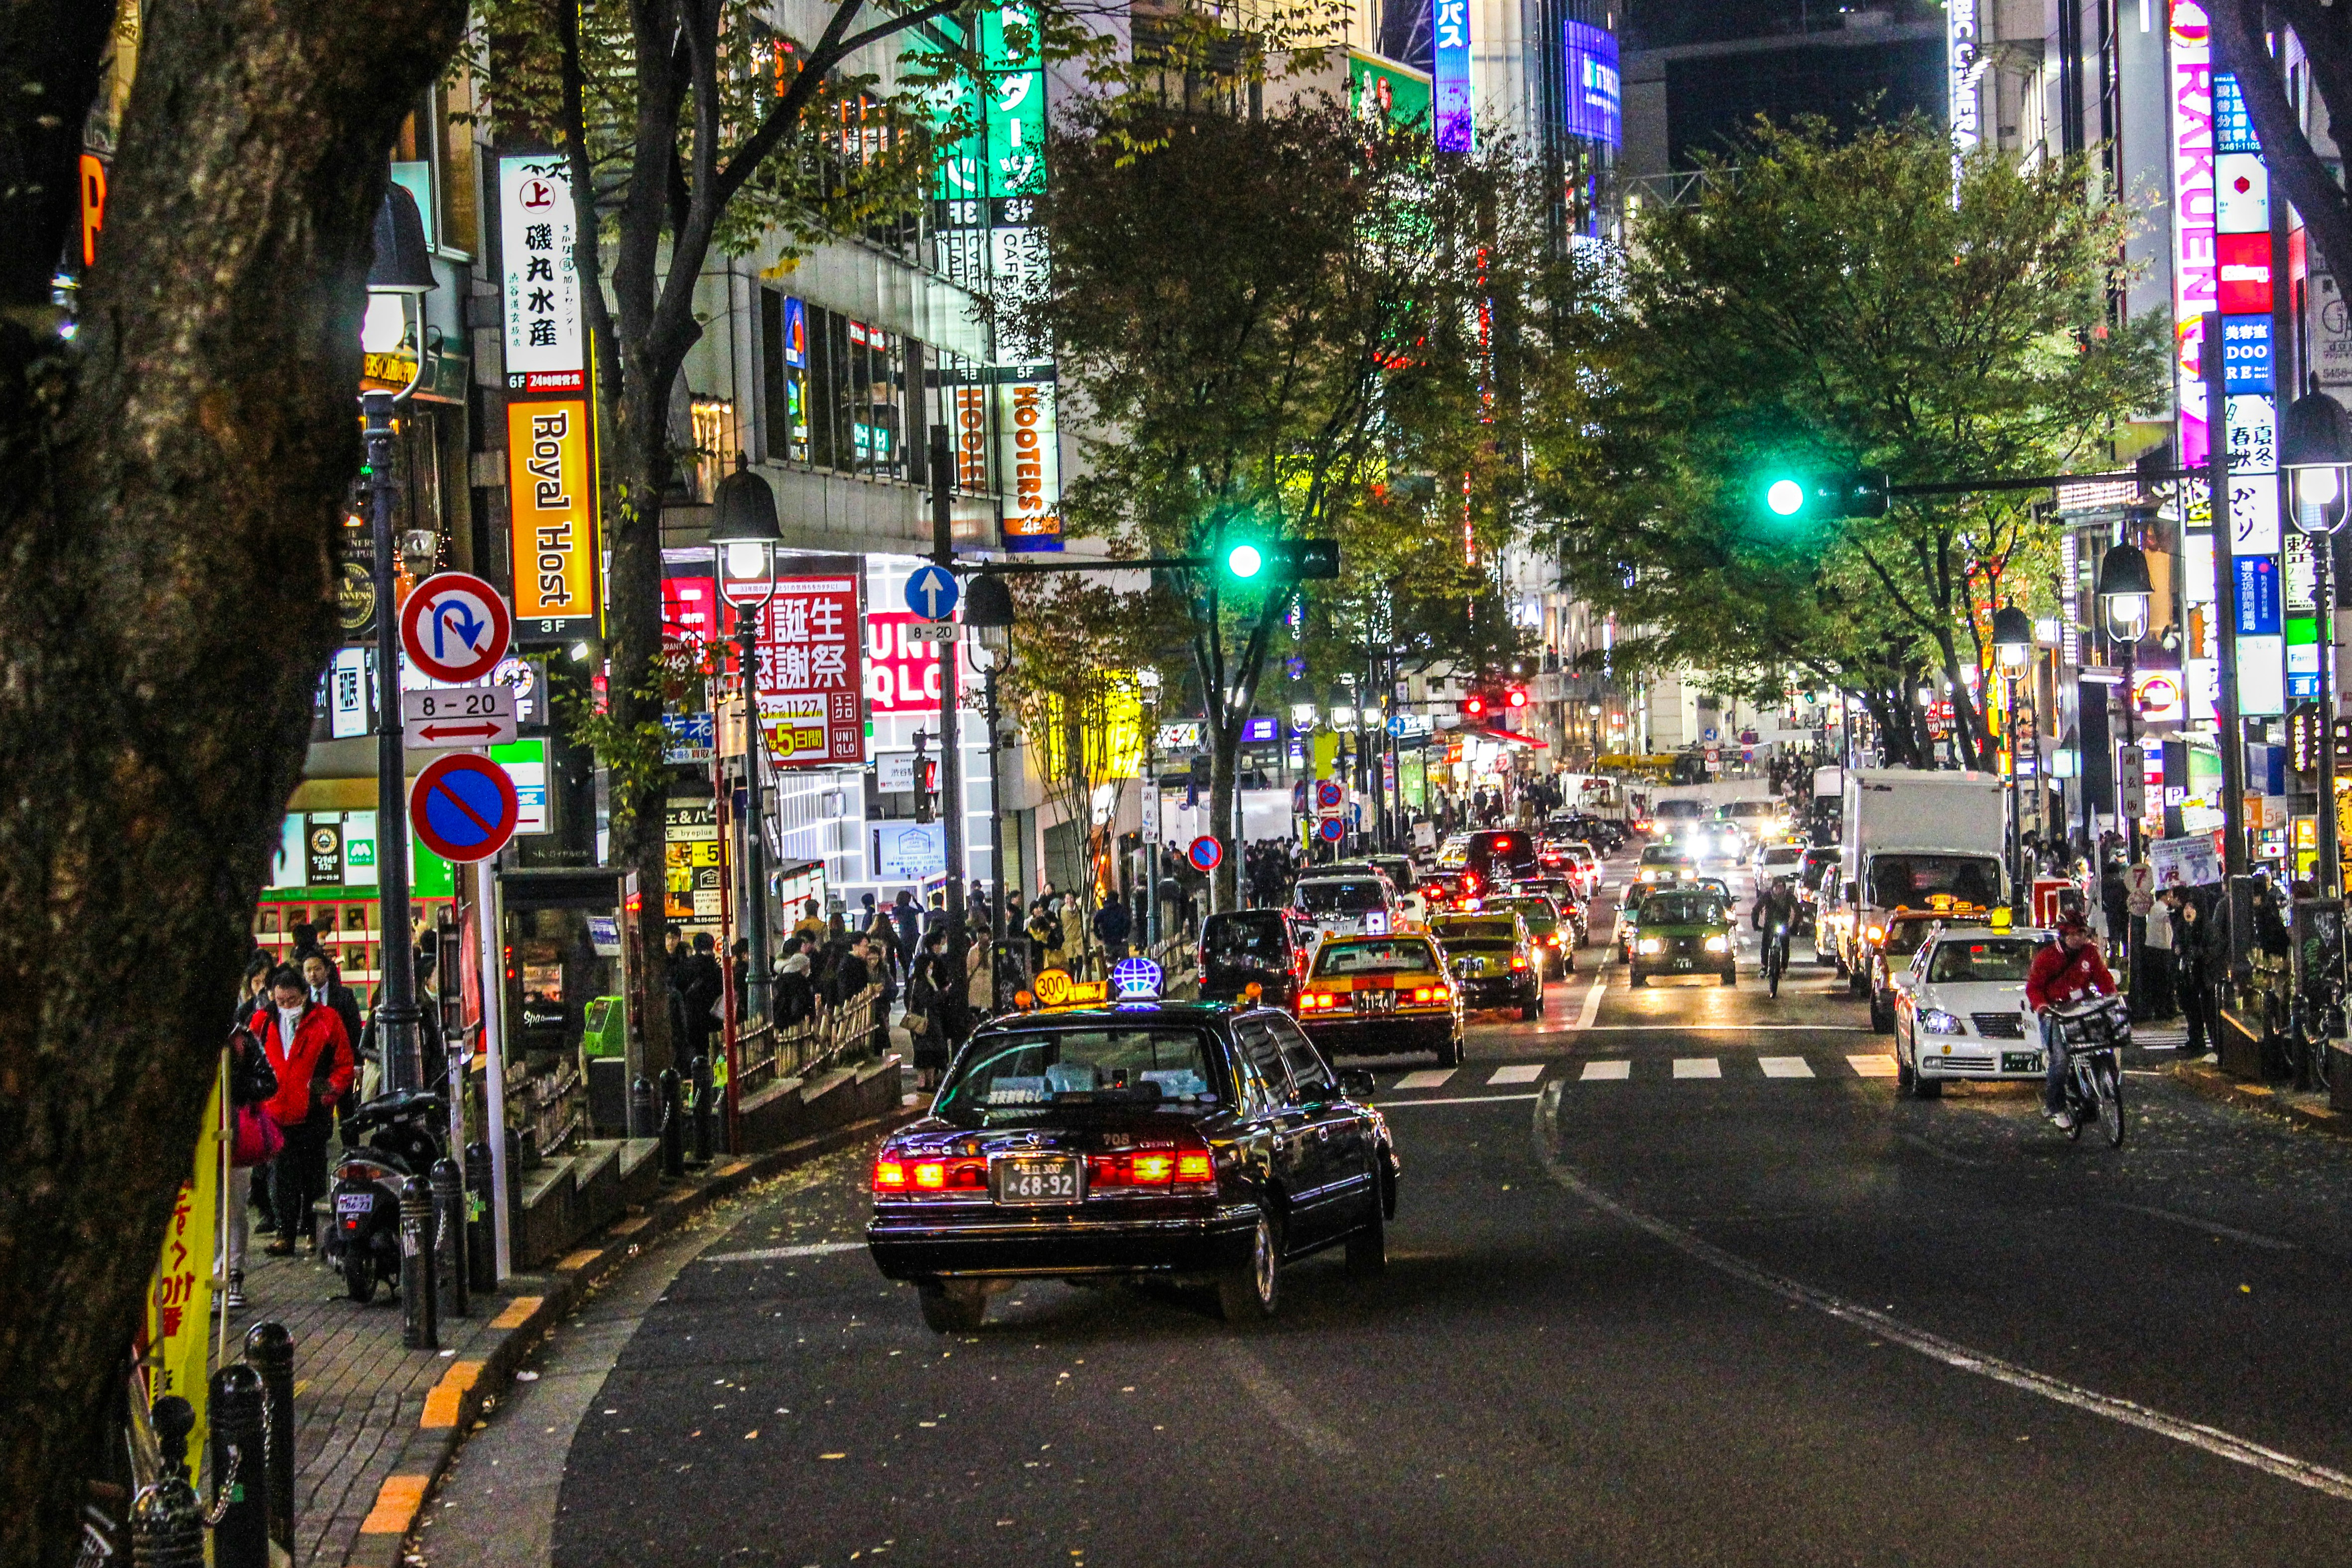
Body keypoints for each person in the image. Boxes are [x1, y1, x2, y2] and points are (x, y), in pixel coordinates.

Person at [251, 965, 354, 1256]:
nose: (287, 1006)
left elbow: (344, 1065)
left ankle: (312, 1232)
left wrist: (328, 1093)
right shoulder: (262, 1022)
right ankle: (285, 1233)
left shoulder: (326, 1020)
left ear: (304, 995)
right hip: (275, 1113)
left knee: (312, 1175)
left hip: (313, 1113)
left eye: (292, 1000)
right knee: (281, 1177)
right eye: (281, 1001)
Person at [2026, 917, 2117, 1132]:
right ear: (2064, 936)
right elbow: (2034, 988)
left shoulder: (2090, 953)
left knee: (2102, 1046)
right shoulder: (2046, 958)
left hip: (2082, 1008)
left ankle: (2103, 1085)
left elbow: (2103, 978)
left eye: (2082, 933)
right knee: (2061, 1058)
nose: (2079, 938)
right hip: (2055, 1012)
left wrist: (2111, 996)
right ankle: (2056, 1106)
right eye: (2074, 934)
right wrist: (2042, 1007)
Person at [221, 1023, 279, 1311]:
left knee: (233, 1208)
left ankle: (232, 1274)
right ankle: (211, 1277)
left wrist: (234, 1086)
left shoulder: (243, 1039)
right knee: (211, 1211)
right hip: (202, 1140)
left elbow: (269, 1082)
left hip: (235, 1135)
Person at [675, 932, 725, 1063]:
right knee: (715, 1053)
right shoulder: (717, 969)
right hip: (714, 1018)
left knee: (697, 1054)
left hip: (692, 1017)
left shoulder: (686, 967)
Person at [904, 944, 945, 1090]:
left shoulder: (914, 981)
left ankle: (928, 1082)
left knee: (926, 1053)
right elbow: (927, 1000)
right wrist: (942, 994)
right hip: (925, 1022)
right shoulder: (922, 982)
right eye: (930, 965)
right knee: (926, 1053)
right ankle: (925, 1083)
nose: (932, 968)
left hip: (922, 1021)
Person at [1093, 892, 1132, 963]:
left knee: (1110, 963)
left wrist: (1099, 936)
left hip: (1107, 941)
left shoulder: (1102, 912)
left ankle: (1112, 973)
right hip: (1120, 941)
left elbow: (1095, 923)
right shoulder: (1122, 910)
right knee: (1124, 963)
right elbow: (1128, 922)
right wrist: (1125, 935)